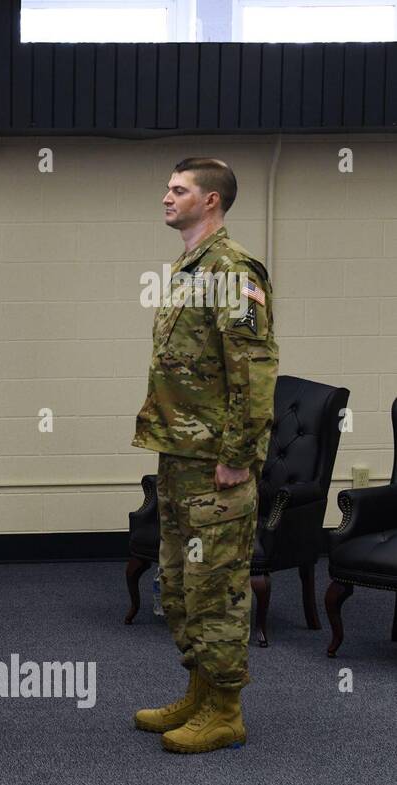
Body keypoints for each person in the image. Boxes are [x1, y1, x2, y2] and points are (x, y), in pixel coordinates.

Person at [132, 157, 278, 754]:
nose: (167, 196)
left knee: (215, 586)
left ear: (211, 201)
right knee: (179, 582)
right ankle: (198, 689)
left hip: (217, 465)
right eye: (167, 186)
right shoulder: (188, 268)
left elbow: (256, 367)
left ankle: (225, 710)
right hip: (179, 456)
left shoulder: (233, 270)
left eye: (179, 189)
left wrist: (239, 455)